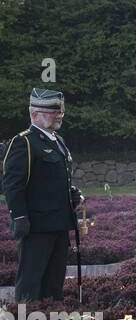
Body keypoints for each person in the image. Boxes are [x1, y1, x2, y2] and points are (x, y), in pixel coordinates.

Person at [2, 88, 84, 303]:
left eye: (59, 112)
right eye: (51, 112)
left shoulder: (58, 141)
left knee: (54, 282)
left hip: (59, 223)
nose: (57, 116)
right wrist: (19, 216)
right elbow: (12, 184)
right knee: (31, 281)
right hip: (36, 226)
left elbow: (55, 180)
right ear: (33, 114)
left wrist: (73, 195)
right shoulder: (24, 142)